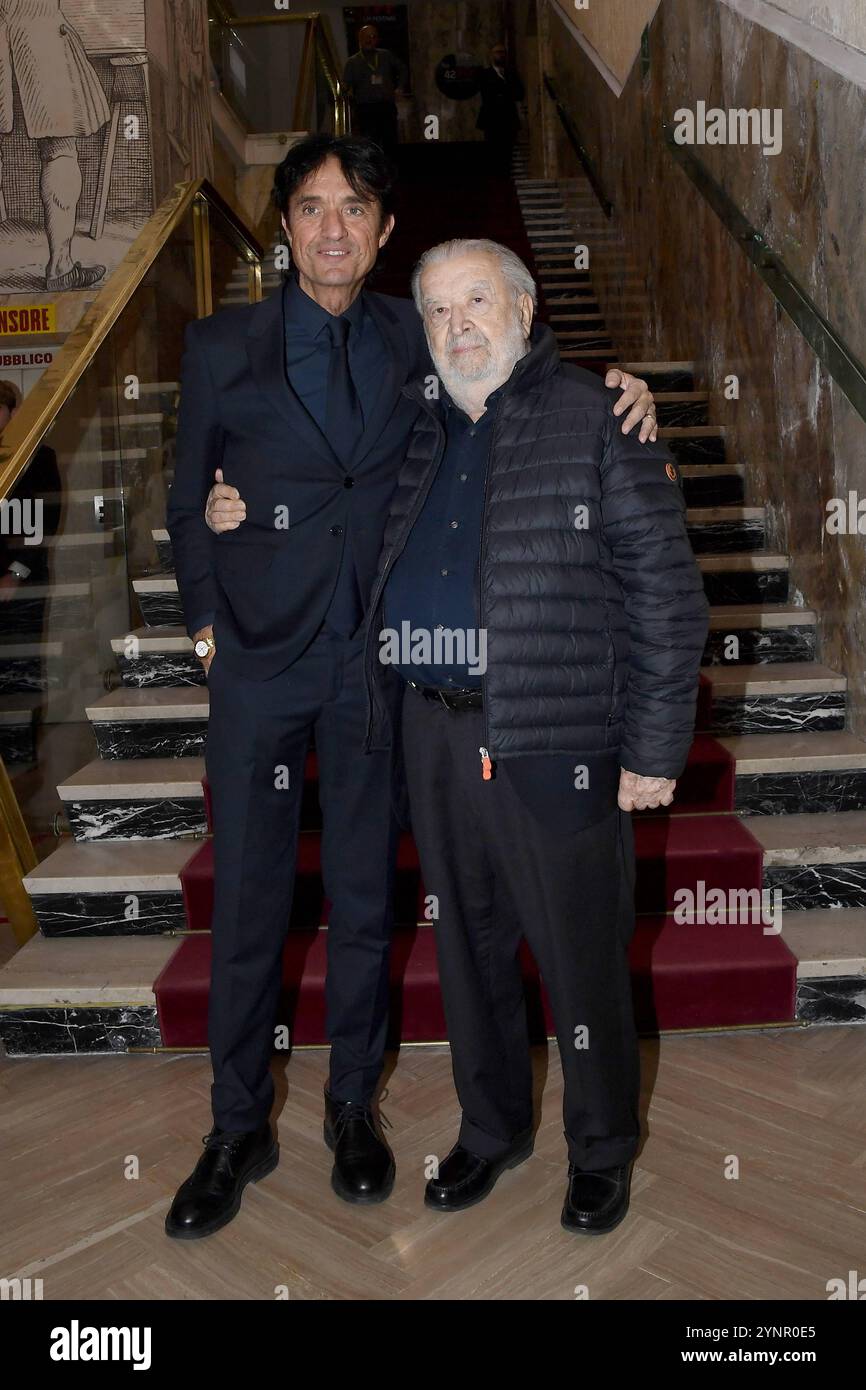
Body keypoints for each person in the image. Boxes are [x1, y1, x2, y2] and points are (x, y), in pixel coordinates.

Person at [168, 134, 658, 1240]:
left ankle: (351, 1109)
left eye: (354, 207)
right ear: (283, 227)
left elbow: (517, 370)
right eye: (308, 206)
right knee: (246, 908)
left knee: (363, 905)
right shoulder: (216, 346)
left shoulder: (417, 334)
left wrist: (622, 391)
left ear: (384, 233)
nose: (332, 226)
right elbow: (185, 493)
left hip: (374, 680)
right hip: (257, 667)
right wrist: (207, 626)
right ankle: (234, 1126)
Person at [362, 239, 710, 1234]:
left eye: (475, 300)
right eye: (435, 310)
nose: (455, 323)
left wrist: (651, 748)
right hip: (434, 737)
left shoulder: (598, 416)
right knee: (466, 954)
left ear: (522, 309)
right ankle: (491, 1126)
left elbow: (664, 597)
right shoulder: (417, 429)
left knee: (579, 957)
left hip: (555, 738)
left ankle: (599, 1149)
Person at [0, 379, 61, 594]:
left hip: (26, 577)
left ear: (14, 413)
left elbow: (46, 520)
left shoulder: (40, 458)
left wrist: (16, 573)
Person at [342, 24, 406, 160]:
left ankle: (392, 173)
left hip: (386, 106)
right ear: (360, 39)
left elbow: (403, 69)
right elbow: (345, 86)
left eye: (373, 36)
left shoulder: (385, 55)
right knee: (369, 144)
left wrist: (400, 87)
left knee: (390, 142)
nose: (370, 40)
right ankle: (372, 173)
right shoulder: (352, 62)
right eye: (367, 37)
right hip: (366, 109)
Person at [476, 43, 524, 176]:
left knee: (508, 150)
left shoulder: (511, 73)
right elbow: (488, 95)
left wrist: (504, 93)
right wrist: (506, 93)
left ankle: (506, 174)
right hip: (492, 119)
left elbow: (520, 93)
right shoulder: (485, 74)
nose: (500, 55)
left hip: (508, 118)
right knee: (493, 150)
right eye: (497, 52)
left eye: (502, 52)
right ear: (491, 55)